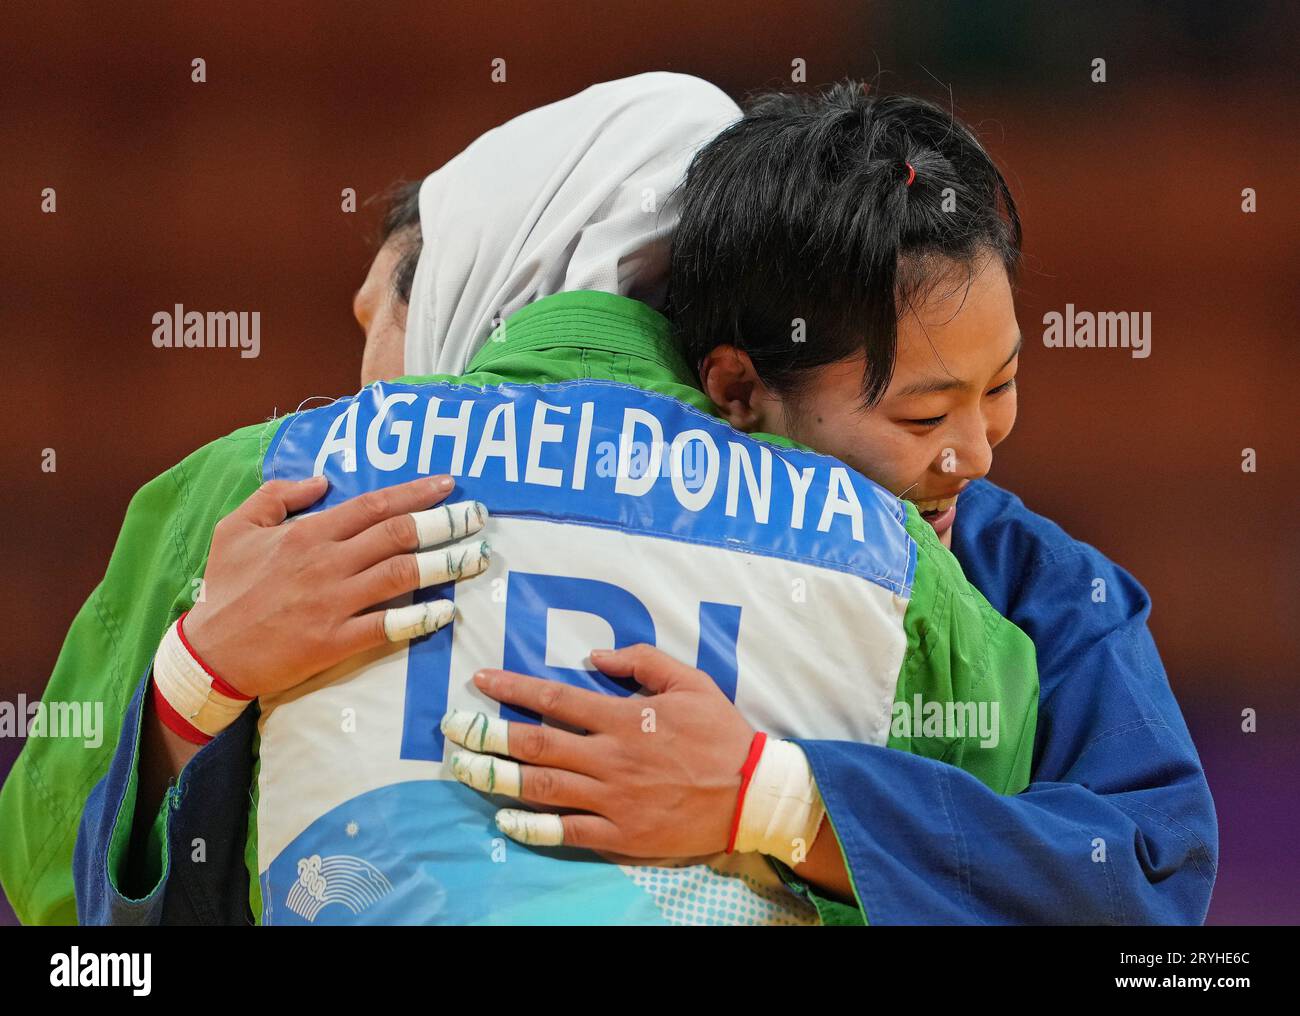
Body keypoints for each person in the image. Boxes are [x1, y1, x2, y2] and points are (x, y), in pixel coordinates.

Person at [0, 74, 1038, 926]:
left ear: (474, 272)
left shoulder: (264, 484)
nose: (368, 374)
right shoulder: (898, 552)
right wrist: (785, 811)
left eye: (379, 309)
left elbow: (54, 898)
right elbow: (1011, 882)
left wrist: (193, 679)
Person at [447, 84, 1220, 924]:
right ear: (739, 387)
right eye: (921, 416)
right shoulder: (556, 521)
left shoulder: (1043, 590)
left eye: (1002, 384)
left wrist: (777, 799)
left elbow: (1148, 887)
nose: (978, 453)